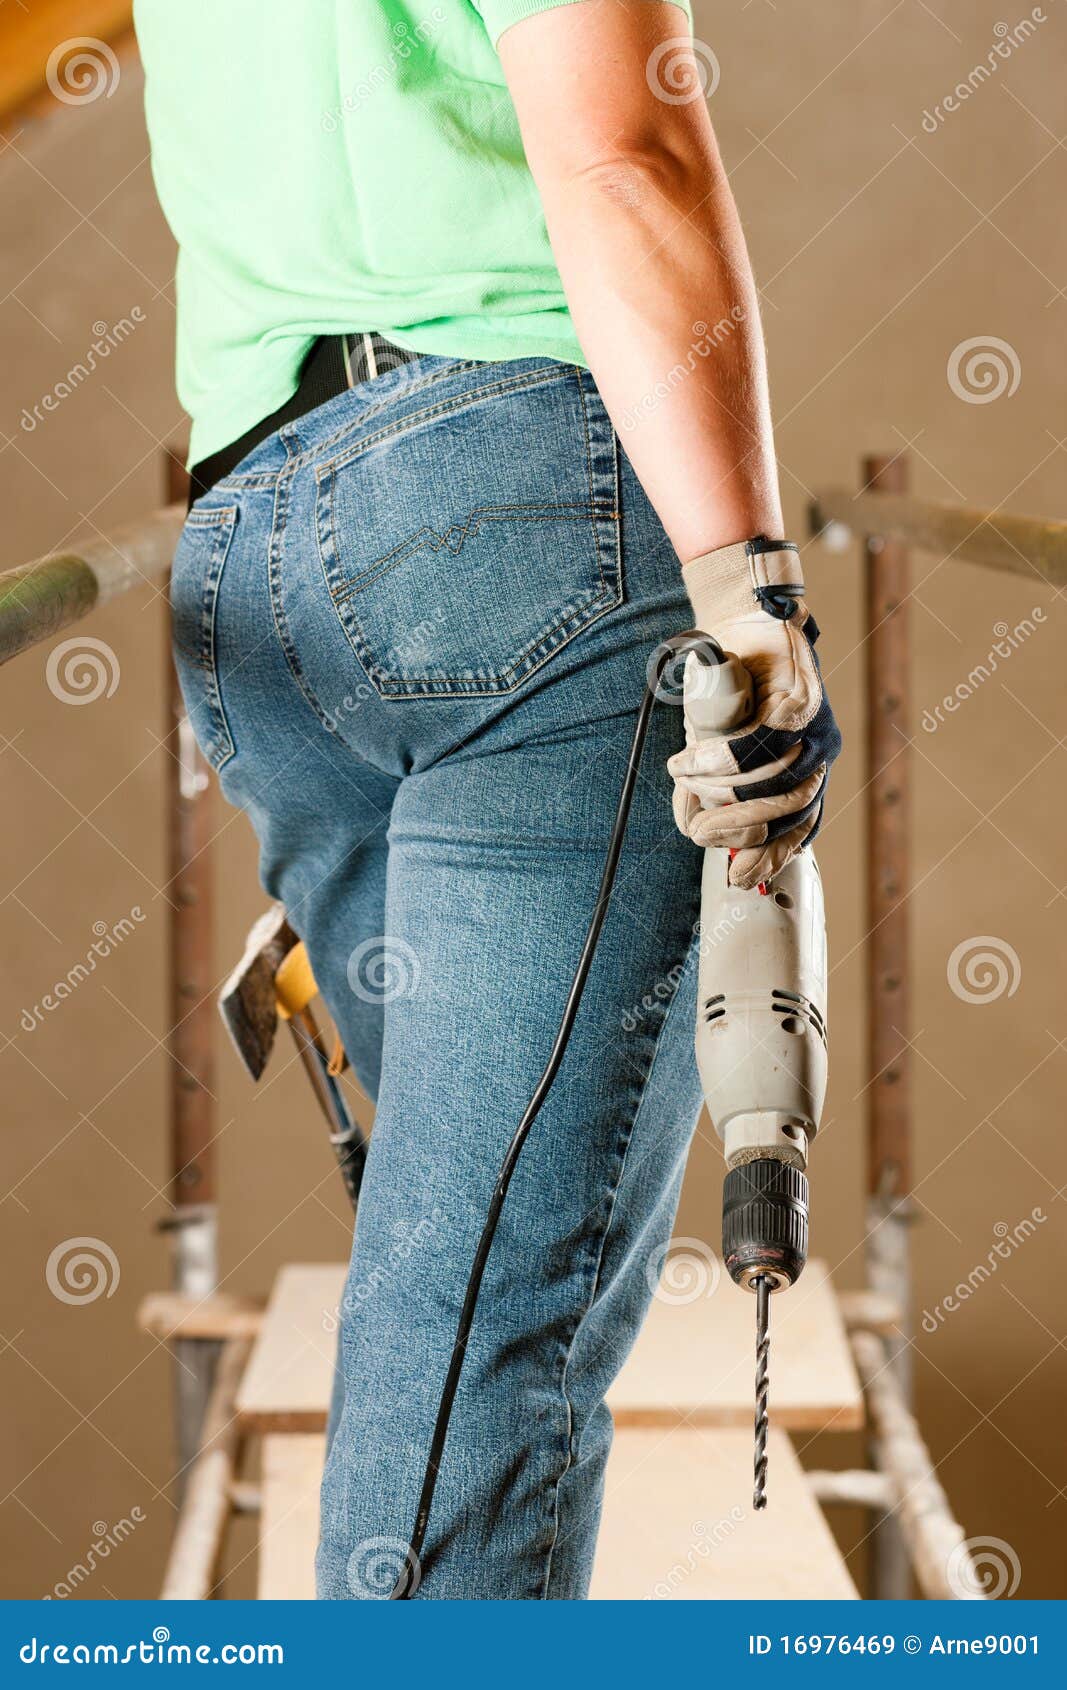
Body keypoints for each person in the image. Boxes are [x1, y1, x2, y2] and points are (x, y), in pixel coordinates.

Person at [135, 0, 840, 1598]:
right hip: (512, 514)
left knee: (462, 1245)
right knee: (479, 1331)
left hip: (254, 563)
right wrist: (750, 591)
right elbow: (623, 154)